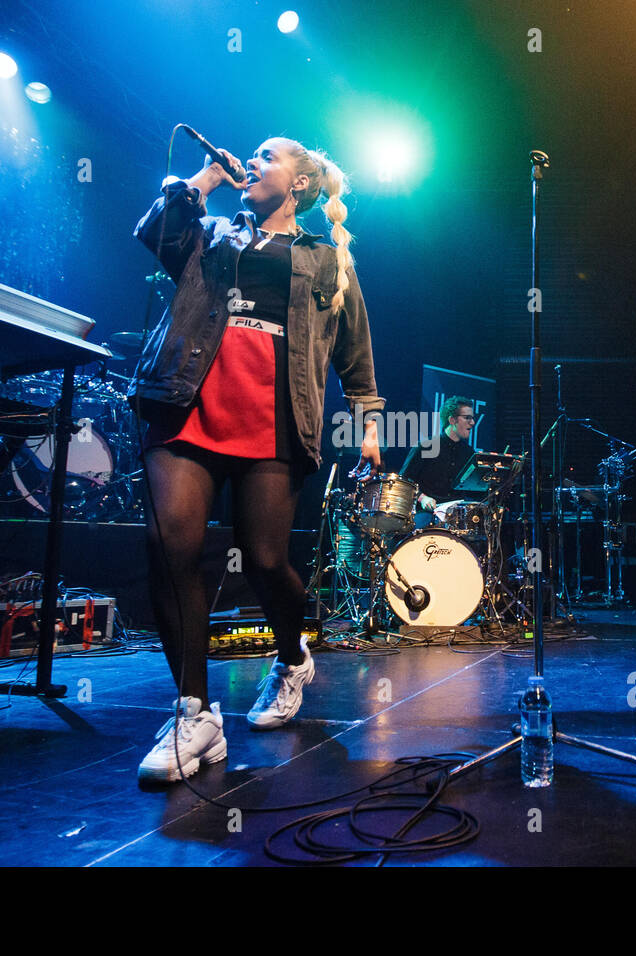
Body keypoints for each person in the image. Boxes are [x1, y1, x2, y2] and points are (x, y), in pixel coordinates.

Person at [131, 137, 383, 785]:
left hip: (274, 412)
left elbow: (356, 356)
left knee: (266, 560)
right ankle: (194, 714)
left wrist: (369, 430)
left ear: (299, 183)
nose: (252, 161)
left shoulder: (328, 259)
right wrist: (203, 180)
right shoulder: (210, 228)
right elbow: (153, 233)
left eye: (267, 156)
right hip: (187, 395)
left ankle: (292, 655)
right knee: (172, 545)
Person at [400, 396, 476, 516]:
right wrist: (422, 498)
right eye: (467, 418)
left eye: (472, 418)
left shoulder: (469, 453)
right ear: (452, 420)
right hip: (426, 513)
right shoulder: (425, 447)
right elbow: (403, 482)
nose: (472, 423)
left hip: (457, 516)